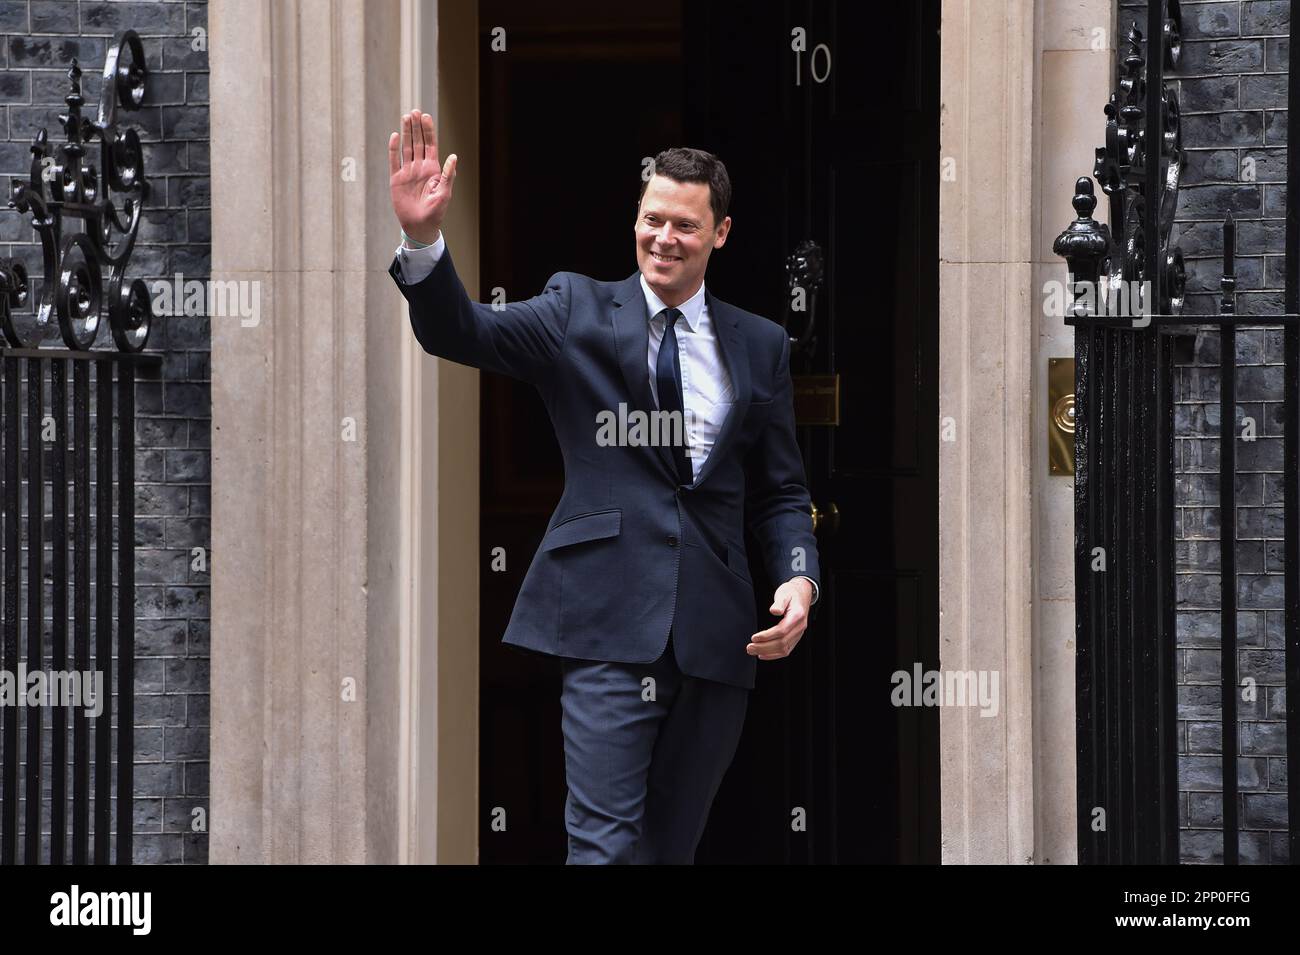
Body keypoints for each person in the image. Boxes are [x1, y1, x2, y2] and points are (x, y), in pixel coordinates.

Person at [387, 109, 821, 863]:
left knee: (668, 848)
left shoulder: (761, 345)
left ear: (720, 233)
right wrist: (424, 241)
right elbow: (462, 332)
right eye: (652, 218)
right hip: (605, 616)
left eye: (685, 225)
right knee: (603, 848)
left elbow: (781, 490)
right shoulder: (574, 310)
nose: (663, 237)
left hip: (719, 632)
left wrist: (798, 577)